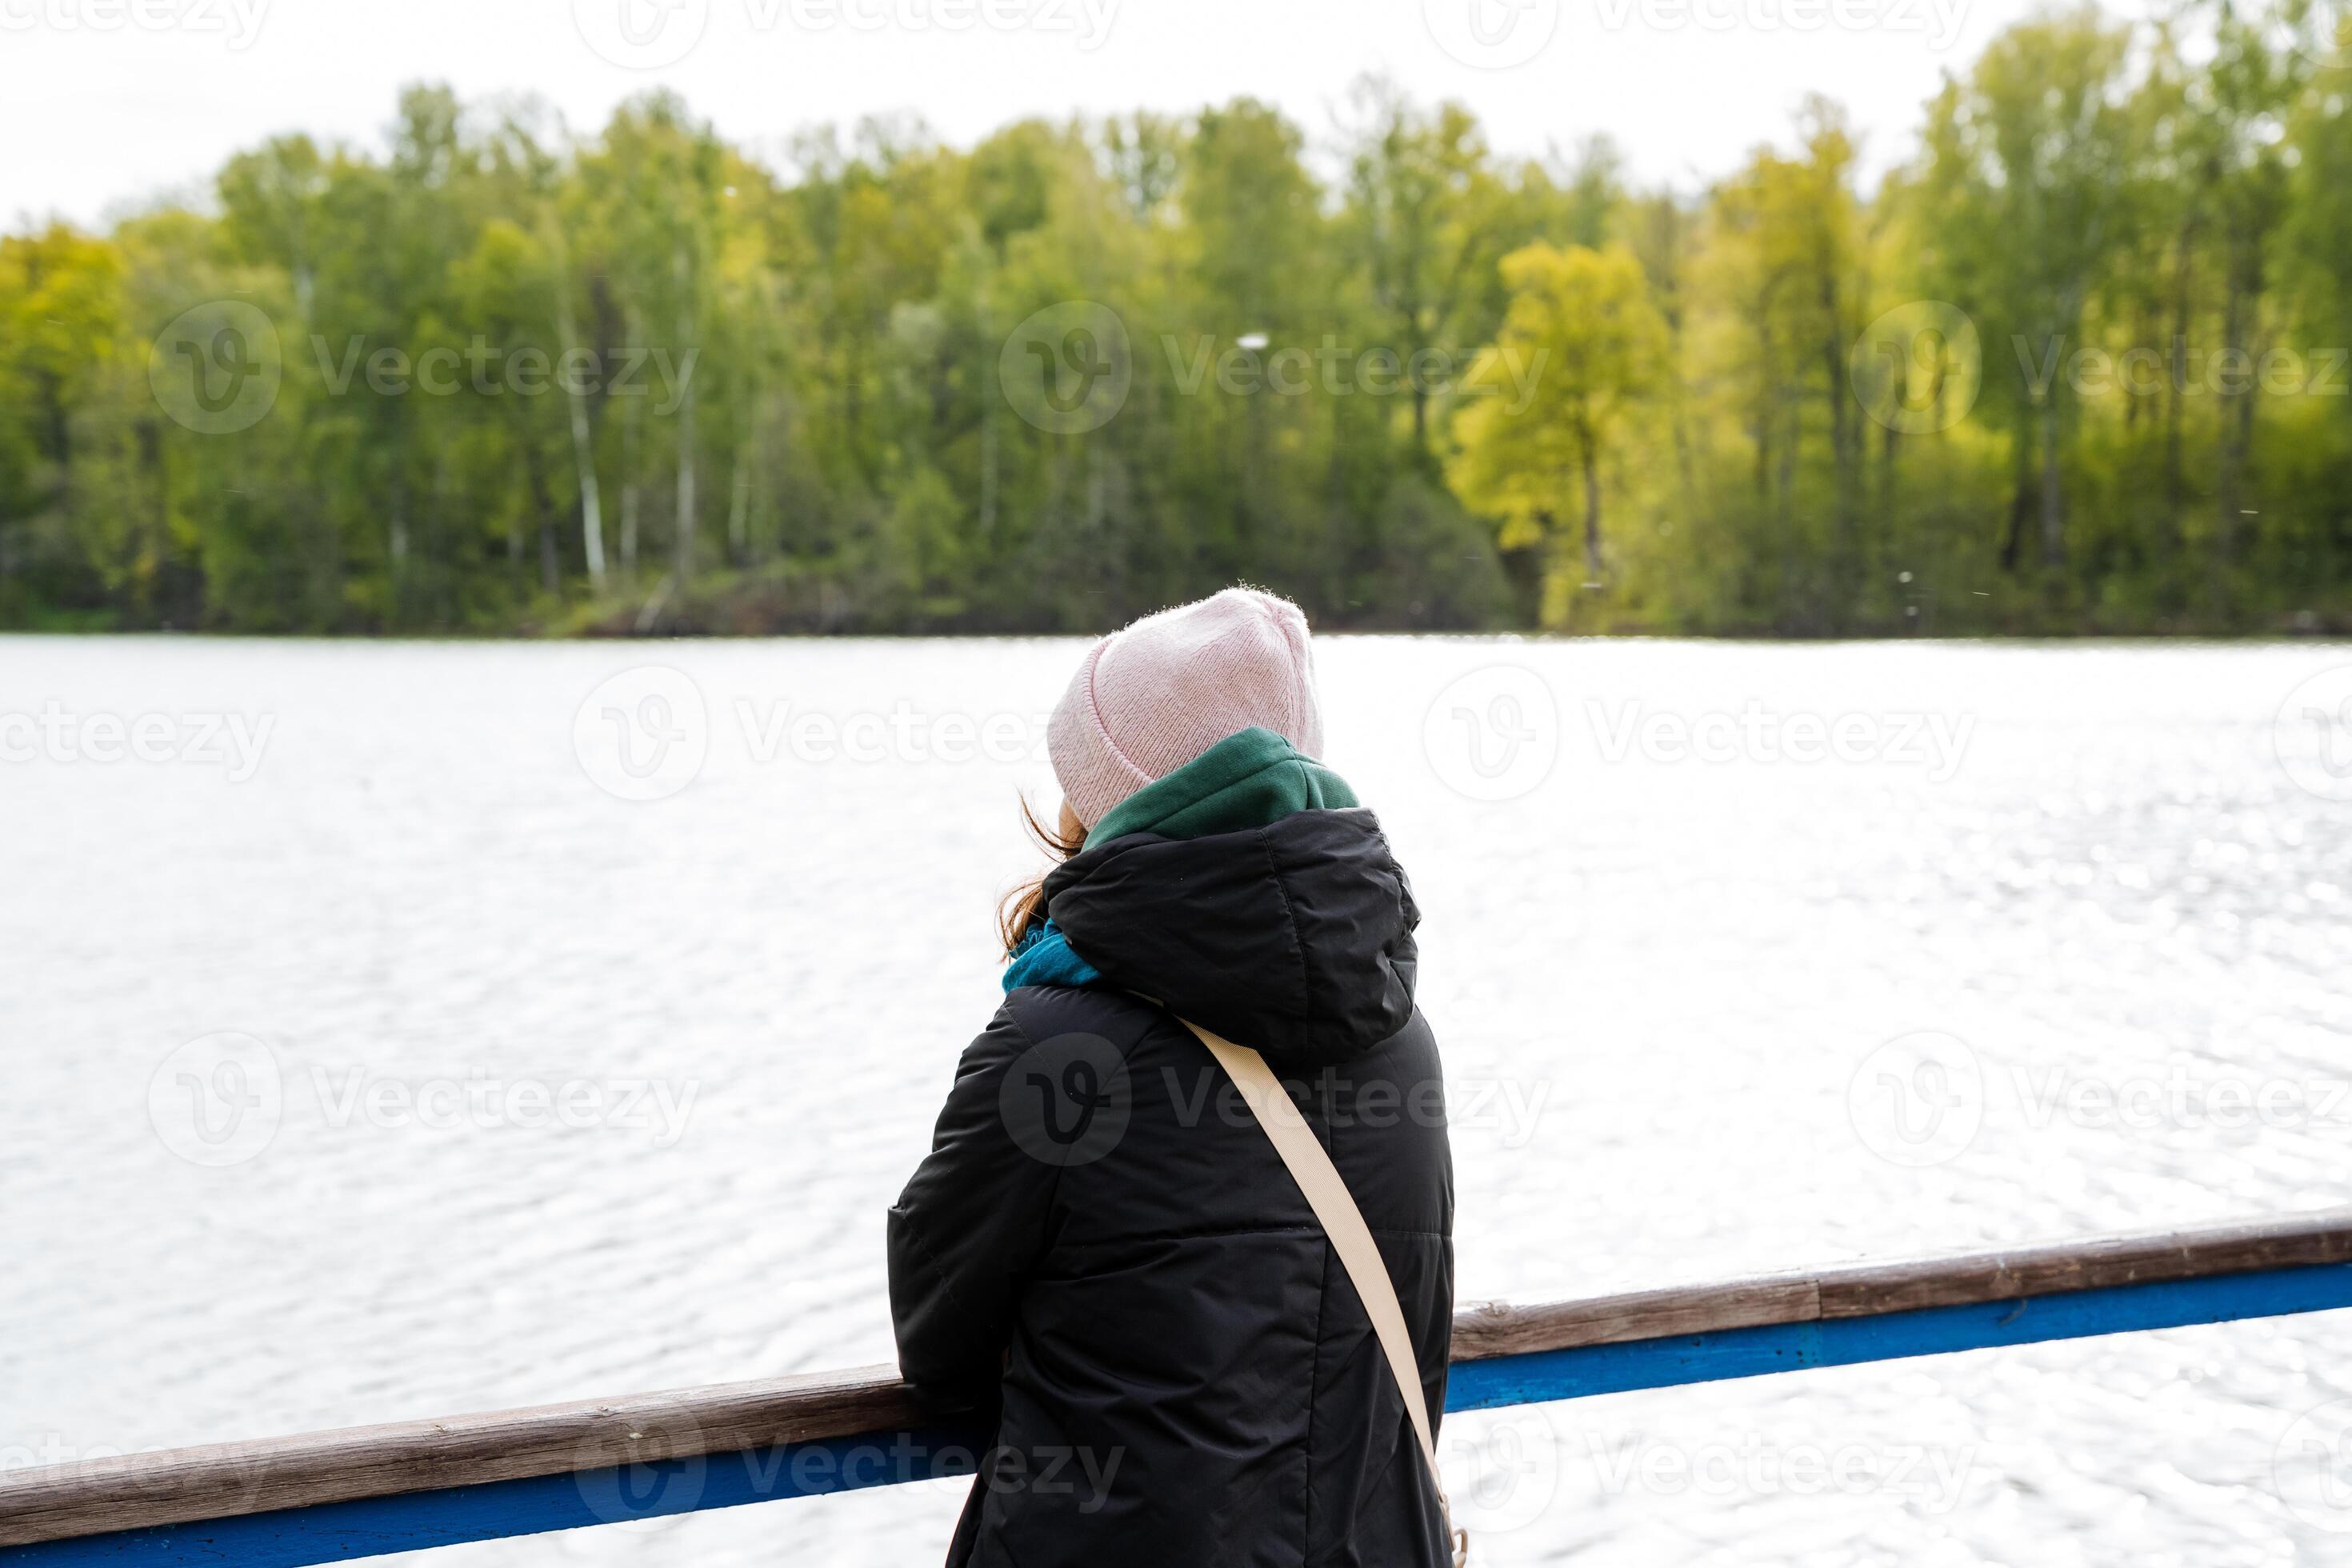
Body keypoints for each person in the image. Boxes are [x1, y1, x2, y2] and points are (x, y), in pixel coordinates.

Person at [887, 586, 1455, 1566]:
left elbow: (939, 1350)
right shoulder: (1401, 1038)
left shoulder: (1055, 1054)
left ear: (1114, 797)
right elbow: (1411, 1347)